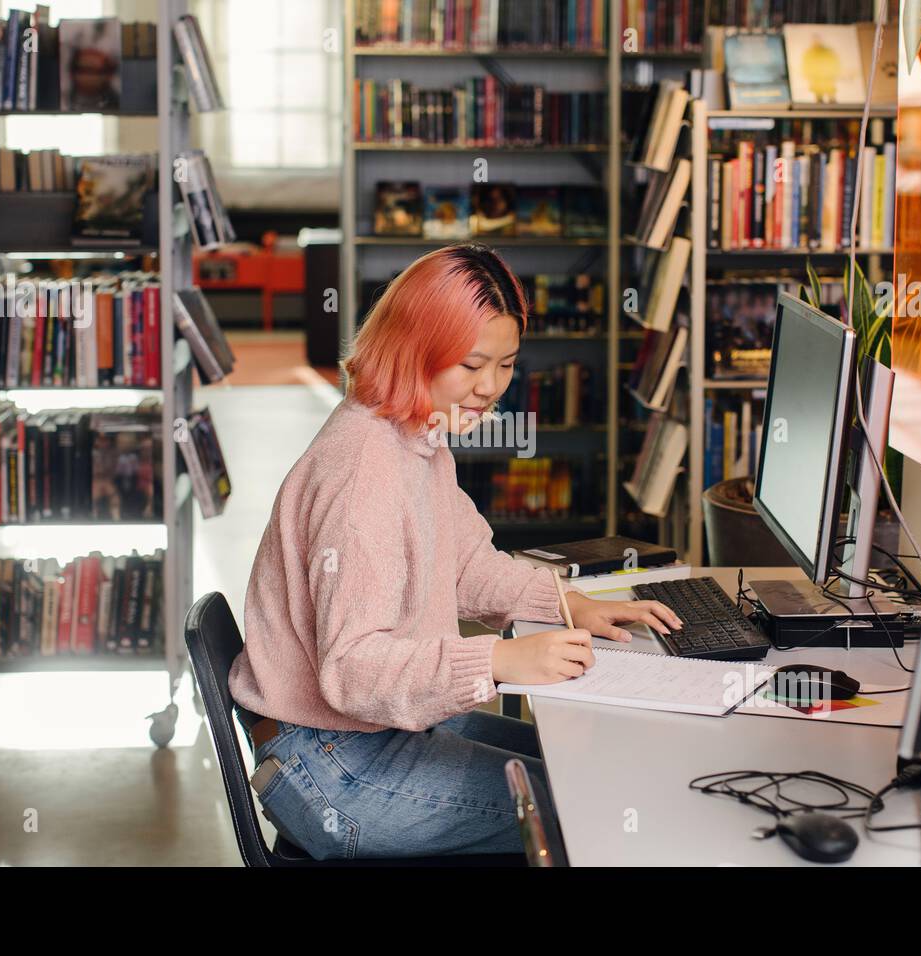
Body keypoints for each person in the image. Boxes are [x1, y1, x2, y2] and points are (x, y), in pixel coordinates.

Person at [228, 242, 682, 860]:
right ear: (416, 348)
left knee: (586, 764)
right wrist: (496, 660)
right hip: (330, 766)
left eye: (506, 364)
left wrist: (567, 603)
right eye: (472, 365)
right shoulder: (365, 474)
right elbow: (354, 671)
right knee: (590, 802)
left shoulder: (415, 433)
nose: (491, 388)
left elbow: (466, 564)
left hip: (361, 737)